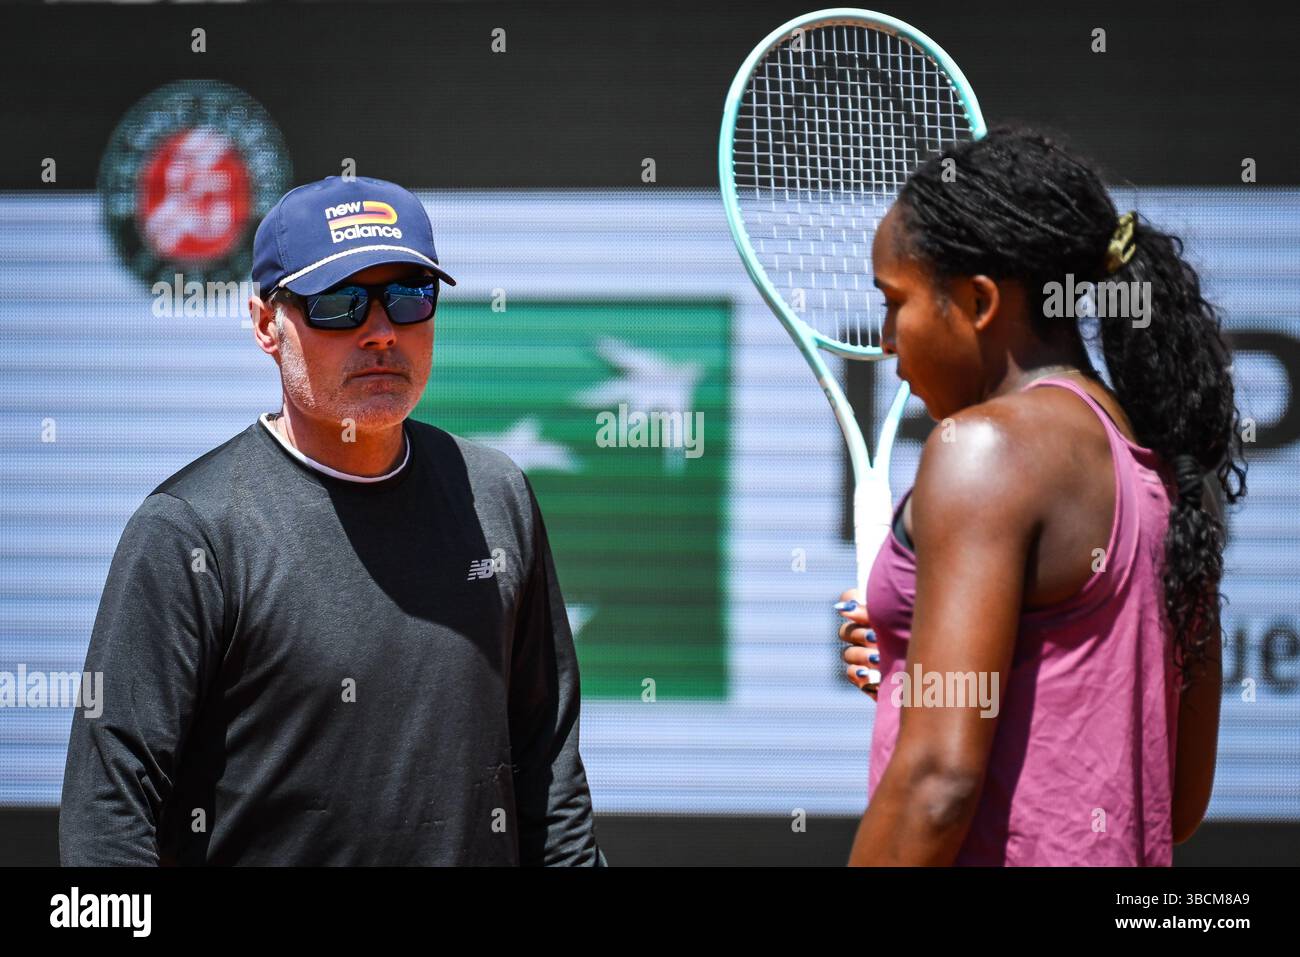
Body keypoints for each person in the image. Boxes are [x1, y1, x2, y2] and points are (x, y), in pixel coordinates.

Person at [60, 175, 606, 866]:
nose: (381, 332)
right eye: (339, 303)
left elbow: (550, 770)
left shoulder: (495, 495)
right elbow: (107, 818)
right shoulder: (188, 532)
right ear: (265, 323)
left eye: (409, 297)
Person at [836, 129, 1245, 866]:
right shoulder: (1169, 467)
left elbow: (938, 783)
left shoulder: (985, 454)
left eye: (895, 302)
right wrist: (910, 671)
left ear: (981, 300)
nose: (888, 339)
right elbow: (1177, 800)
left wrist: (928, 721)